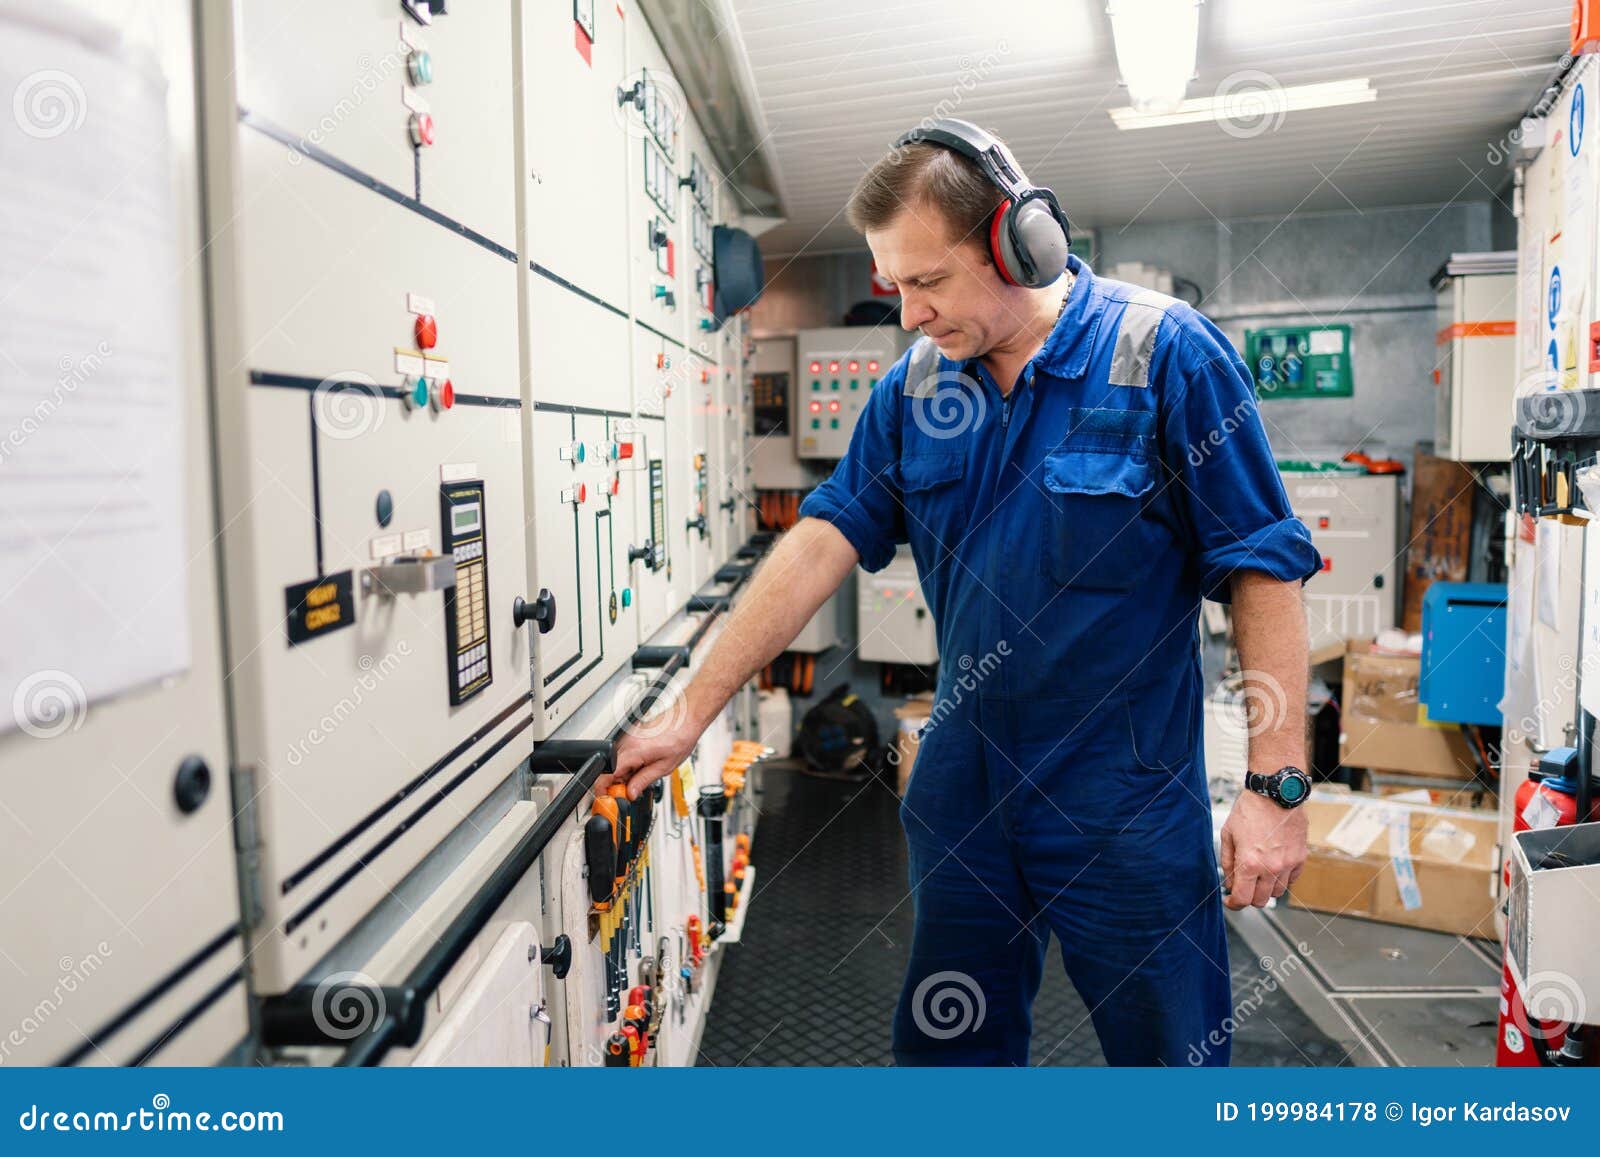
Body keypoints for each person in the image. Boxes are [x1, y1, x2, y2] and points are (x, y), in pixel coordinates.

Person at [604, 118, 1322, 1066]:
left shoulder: (1164, 353)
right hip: (967, 793)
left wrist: (1276, 788)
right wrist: (691, 711)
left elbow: (1262, 566)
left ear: (1019, 244)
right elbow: (820, 541)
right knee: (951, 1054)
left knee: (1171, 1058)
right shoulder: (916, 390)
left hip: (1126, 801)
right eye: (893, 286)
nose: (909, 314)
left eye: (928, 282)